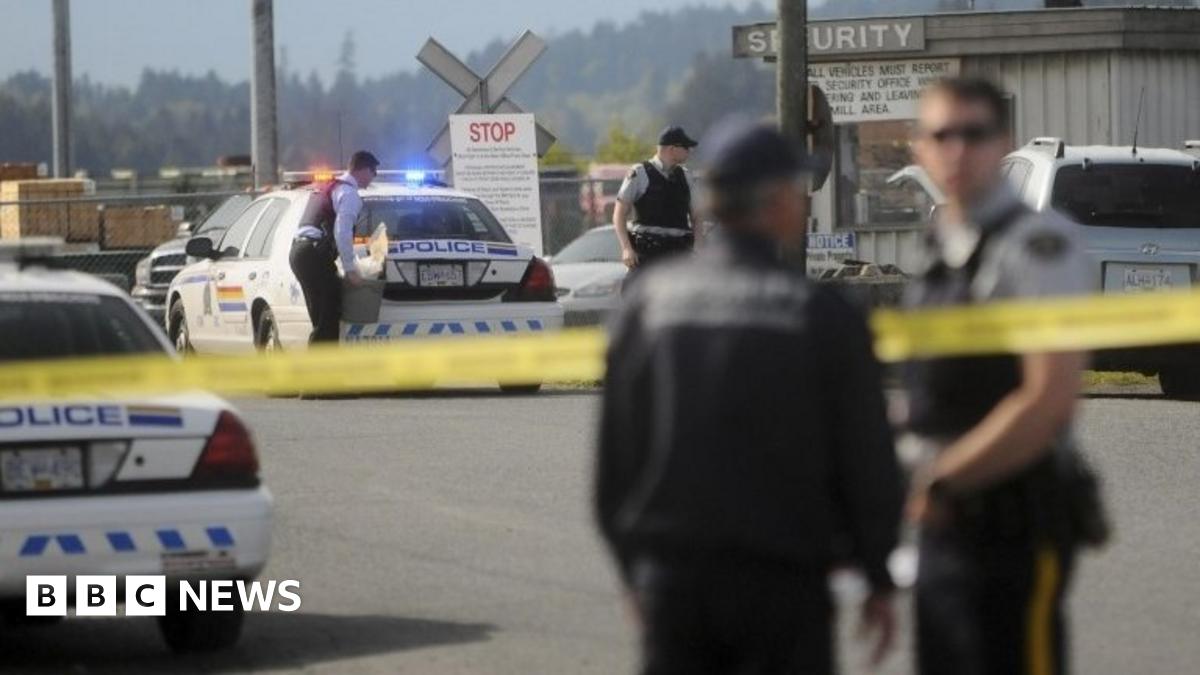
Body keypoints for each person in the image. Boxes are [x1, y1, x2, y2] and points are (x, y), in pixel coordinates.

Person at [595, 121, 902, 675]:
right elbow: (866, 457)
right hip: (786, 582)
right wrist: (877, 575)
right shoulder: (822, 315)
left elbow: (616, 462)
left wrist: (632, 571)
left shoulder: (647, 310)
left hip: (675, 582)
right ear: (780, 203)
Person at [902, 77, 1092, 675]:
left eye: (974, 133)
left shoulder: (1035, 246)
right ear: (920, 149)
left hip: (1012, 524)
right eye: (941, 135)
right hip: (941, 528)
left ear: (1002, 142)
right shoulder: (941, 246)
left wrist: (940, 479)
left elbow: (1048, 401)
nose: (957, 149)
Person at [289, 150, 379, 343]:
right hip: (313, 255)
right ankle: (323, 369)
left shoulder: (330, 187)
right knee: (328, 316)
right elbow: (342, 231)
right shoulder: (349, 194)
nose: (374, 177)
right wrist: (350, 270)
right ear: (363, 170)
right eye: (373, 171)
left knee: (322, 315)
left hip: (300, 252)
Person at [613, 126, 703, 278]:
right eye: (686, 147)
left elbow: (697, 215)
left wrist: (698, 246)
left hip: (678, 254)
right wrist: (626, 248)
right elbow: (619, 213)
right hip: (648, 255)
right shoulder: (640, 173)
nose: (689, 151)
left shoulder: (686, 176)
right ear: (672, 149)